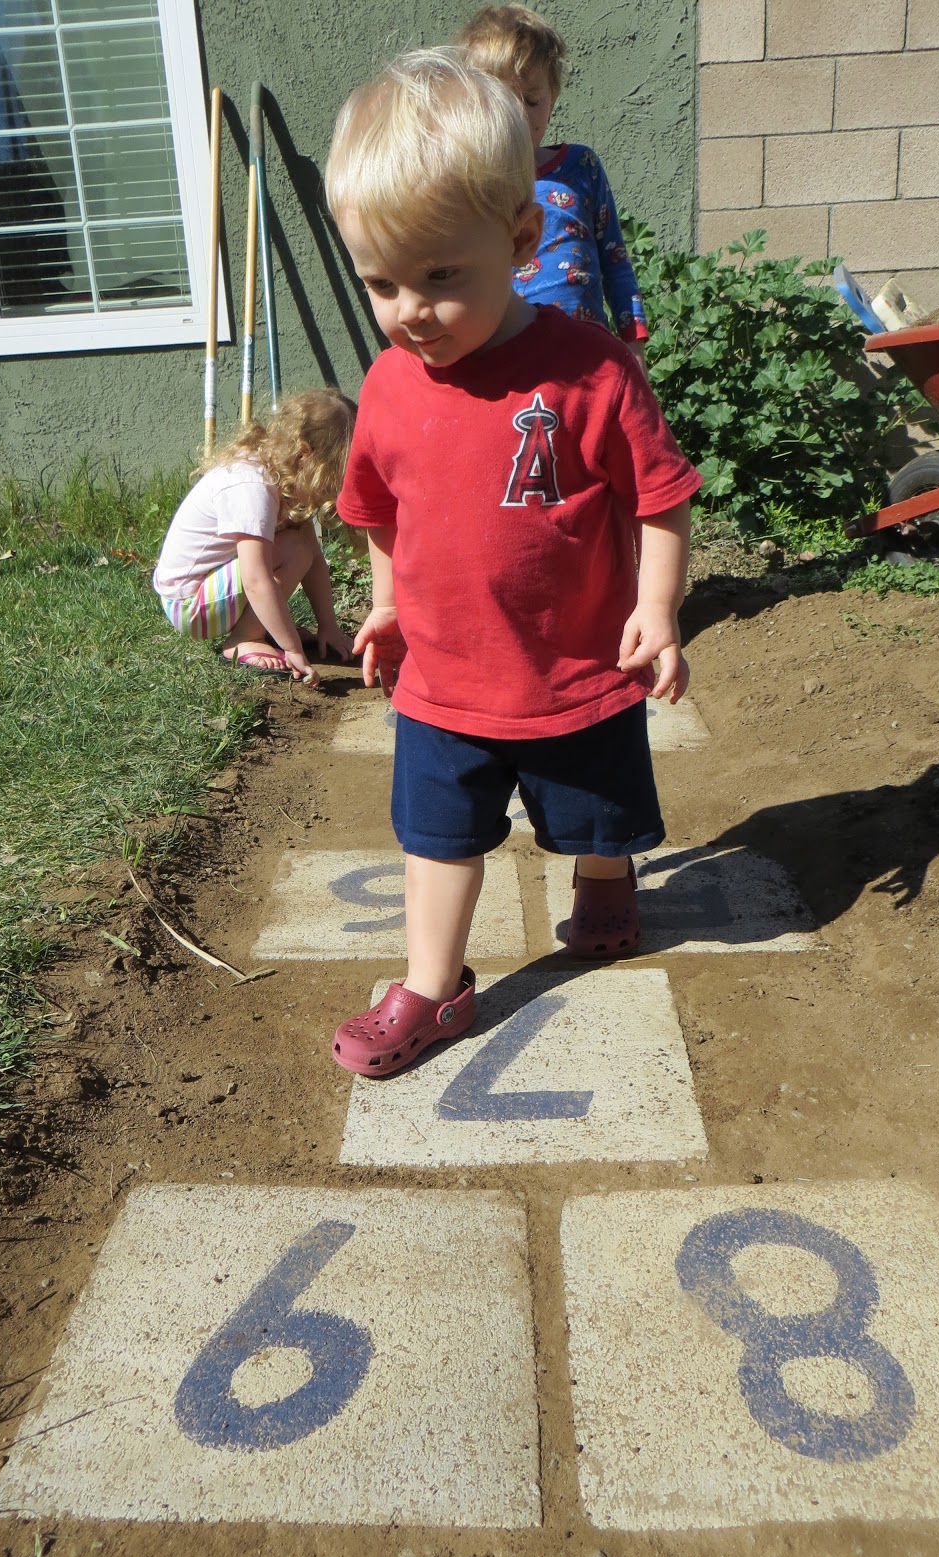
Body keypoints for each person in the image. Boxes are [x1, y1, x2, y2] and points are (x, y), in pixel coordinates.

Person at [324, 48, 700, 1076]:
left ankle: (605, 876)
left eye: (443, 277)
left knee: (594, 815)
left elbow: (660, 498)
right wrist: (388, 605)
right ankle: (431, 989)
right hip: (444, 683)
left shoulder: (591, 371)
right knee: (435, 838)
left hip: (574, 671)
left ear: (522, 238)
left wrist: (657, 608)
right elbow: (377, 511)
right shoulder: (392, 387)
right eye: (382, 283)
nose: (411, 309)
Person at [456, 5, 647, 347]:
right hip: (508, 358)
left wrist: (633, 345)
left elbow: (616, 261)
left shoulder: (580, 166)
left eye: (531, 100)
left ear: (553, 98)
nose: (517, 116)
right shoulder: (466, 183)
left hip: (587, 354)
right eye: (501, 100)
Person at [153, 389, 356, 681]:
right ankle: (242, 640)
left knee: (301, 547)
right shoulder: (251, 486)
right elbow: (256, 579)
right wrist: (292, 648)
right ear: (303, 455)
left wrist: (329, 627)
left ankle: (257, 628)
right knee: (294, 550)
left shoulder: (283, 480)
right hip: (188, 604)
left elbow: (315, 562)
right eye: (331, 477)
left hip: (212, 589)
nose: (333, 490)